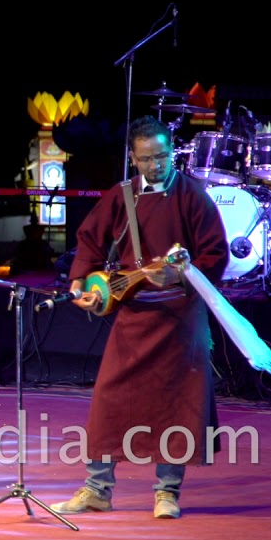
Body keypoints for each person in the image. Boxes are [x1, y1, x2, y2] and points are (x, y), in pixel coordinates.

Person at [49, 114, 229, 519]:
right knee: (110, 400)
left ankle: (167, 492)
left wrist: (183, 275)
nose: (156, 165)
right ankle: (97, 488)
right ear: (133, 158)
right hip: (132, 315)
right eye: (147, 159)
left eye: (162, 157)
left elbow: (215, 253)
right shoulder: (121, 196)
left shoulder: (192, 195)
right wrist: (80, 283)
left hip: (180, 317)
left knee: (177, 404)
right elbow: (89, 241)